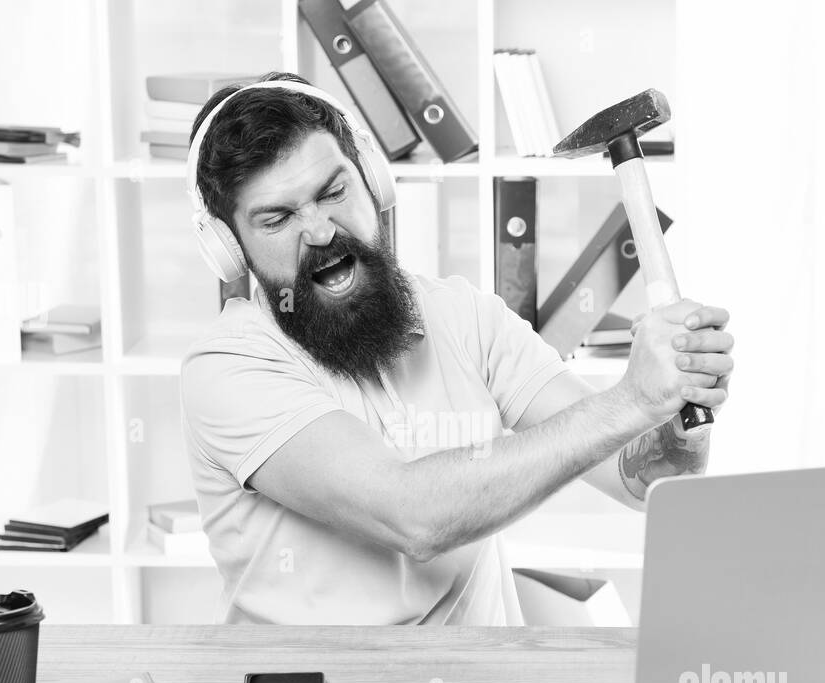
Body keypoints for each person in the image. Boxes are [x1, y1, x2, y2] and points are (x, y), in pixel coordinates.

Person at [180, 72, 734, 625]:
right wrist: (629, 401)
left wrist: (680, 405)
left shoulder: (462, 315)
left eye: (333, 192)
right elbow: (413, 517)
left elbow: (648, 482)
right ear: (229, 249)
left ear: (374, 180)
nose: (321, 231)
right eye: (278, 218)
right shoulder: (227, 369)